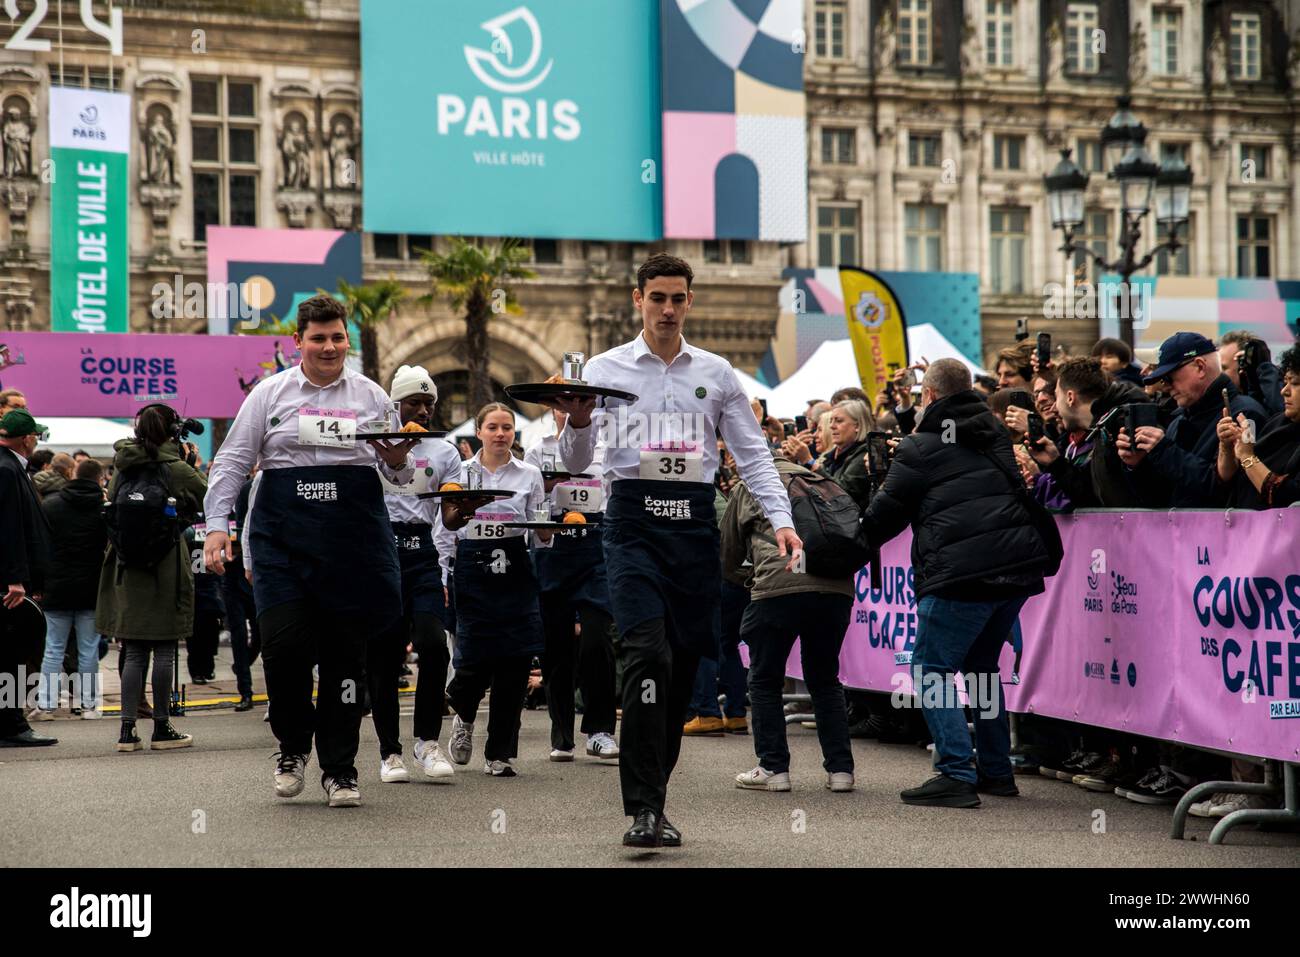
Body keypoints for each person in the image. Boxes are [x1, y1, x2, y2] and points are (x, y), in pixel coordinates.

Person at [553, 253, 800, 849]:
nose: (667, 309)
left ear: (690, 302)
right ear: (636, 299)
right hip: (631, 526)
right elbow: (574, 463)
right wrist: (580, 422)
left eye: (677, 298)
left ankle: (655, 801)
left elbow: (753, 455)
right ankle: (642, 807)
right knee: (648, 659)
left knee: (684, 665)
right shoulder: (606, 368)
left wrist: (783, 519)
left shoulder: (716, 373)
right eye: (657, 297)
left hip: (692, 528)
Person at [202, 294, 419, 808]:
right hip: (282, 540)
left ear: (348, 341)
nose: (328, 346)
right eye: (318, 338)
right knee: (283, 651)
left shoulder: (372, 398)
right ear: (298, 341)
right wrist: (217, 526)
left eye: (337, 337)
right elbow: (234, 460)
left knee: (346, 662)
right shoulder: (268, 394)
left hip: (351, 543)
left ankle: (340, 770)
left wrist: (394, 462)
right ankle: (292, 747)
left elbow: (398, 475)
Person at [860, 359, 1055, 808]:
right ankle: (995, 769)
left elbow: (887, 513)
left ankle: (954, 772)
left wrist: (846, 545)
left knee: (930, 668)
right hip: (1017, 568)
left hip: (962, 573)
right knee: (982, 668)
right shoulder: (995, 436)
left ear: (928, 395)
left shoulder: (920, 446)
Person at [722, 453, 855, 793]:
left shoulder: (750, 484)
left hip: (777, 588)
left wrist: (750, 579)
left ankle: (773, 768)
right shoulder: (824, 482)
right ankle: (841, 771)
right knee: (825, 679)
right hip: (835, 588)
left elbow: (728, 552)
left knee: (765, 679)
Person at [435, 402, 551, 777]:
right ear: (479, 431)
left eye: (507, 427)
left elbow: (541, 529)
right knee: (475, 658)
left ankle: (500, 752)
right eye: (493, 427)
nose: (501, 434)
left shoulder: (529, 474)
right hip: (472, 568)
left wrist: (550, 530)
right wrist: (444, 576)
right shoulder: (461, 472)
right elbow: (444, 531)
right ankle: (464, 715)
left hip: (515, 569)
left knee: (516, 661)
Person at [97, 404, 208, 754]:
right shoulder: (175, 468)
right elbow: (208, 494)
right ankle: (162, 727)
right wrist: (192, 466)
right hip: (164, 563)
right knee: (163, 647)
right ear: (173, 431)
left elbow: (112, 504)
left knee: (133, 650)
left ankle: (127, 731)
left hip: (127, 566)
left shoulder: (123, 466)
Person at [370, 364, 460, 783]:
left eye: (429, 403)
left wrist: (459, 519)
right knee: (386, 656)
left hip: (423, 551)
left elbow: (450, 518)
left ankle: (427, 741)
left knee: (434, 645)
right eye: (415, 402)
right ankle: (390, 751)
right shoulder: (372, 445)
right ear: (395, 404)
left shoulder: (445, 451)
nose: (423, 410)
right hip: (381, 552)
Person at [525, 405, 620, 762]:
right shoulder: (539, 449)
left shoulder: (605, 447)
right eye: (562, 407)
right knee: (557, 647)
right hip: (554, 548)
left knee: (597, 641)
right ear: (553, 411)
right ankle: (561, 733)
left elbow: (611, 497)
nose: (569, 413)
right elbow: (532, 500)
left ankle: (600, 730)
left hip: (594, 546)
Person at [1117, 332, 1268, 507]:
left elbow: (1227, 491)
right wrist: (1137, 465)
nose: (1166, 386)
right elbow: (1163, 499)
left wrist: (1165, 451)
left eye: (1169, 376)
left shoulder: (1245, 415)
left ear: (1200, 367)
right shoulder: (1179, 421)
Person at [35, 458, 108, 719]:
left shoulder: (52, 506)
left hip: (57, 585)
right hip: (91, 586)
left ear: (74, 475)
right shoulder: (102, 509)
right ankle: (88, 704)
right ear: (99, 479)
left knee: (53, 647)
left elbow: (41, 546)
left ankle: (46, 704)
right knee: (89, 648)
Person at [0, 409, 56, 747]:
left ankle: (9, 721)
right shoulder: (7, 470)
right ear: (27, 439)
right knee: (15, 652)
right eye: (35, 435)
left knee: (12, 652)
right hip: (10, 585)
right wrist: (15, 578)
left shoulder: (9, 467)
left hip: (13, 579)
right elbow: (8, 529)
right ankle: (12, 724)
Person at [1217, 343, 1300, 508]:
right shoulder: (1277, 422)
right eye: (1285, 381)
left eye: (1295, 383)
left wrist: (1248, 457)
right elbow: (1228, 482)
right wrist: (1228, 448)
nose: (1284, 391)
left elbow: (1288, 500)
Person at [222, 470, 260, 711]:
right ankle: (245, 690)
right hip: (233, 573)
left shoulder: (251, 489)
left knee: (259, 633)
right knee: (237, 633)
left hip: (252, 571)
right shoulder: (227, 495)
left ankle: (244, 666)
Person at [814, 399, 873, 506]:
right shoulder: (831, 456)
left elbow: (844, 493)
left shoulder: (865, 454)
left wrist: (811, 464)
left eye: (839, 421)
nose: (831, 426)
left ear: (857, 426)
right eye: (831, 421)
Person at [1219, 330, 1283, 416]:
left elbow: (1282, 412)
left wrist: (1265, 368)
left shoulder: (1272, 396)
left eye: (1224, 368)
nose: (1218, 374)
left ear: (1243, 367)